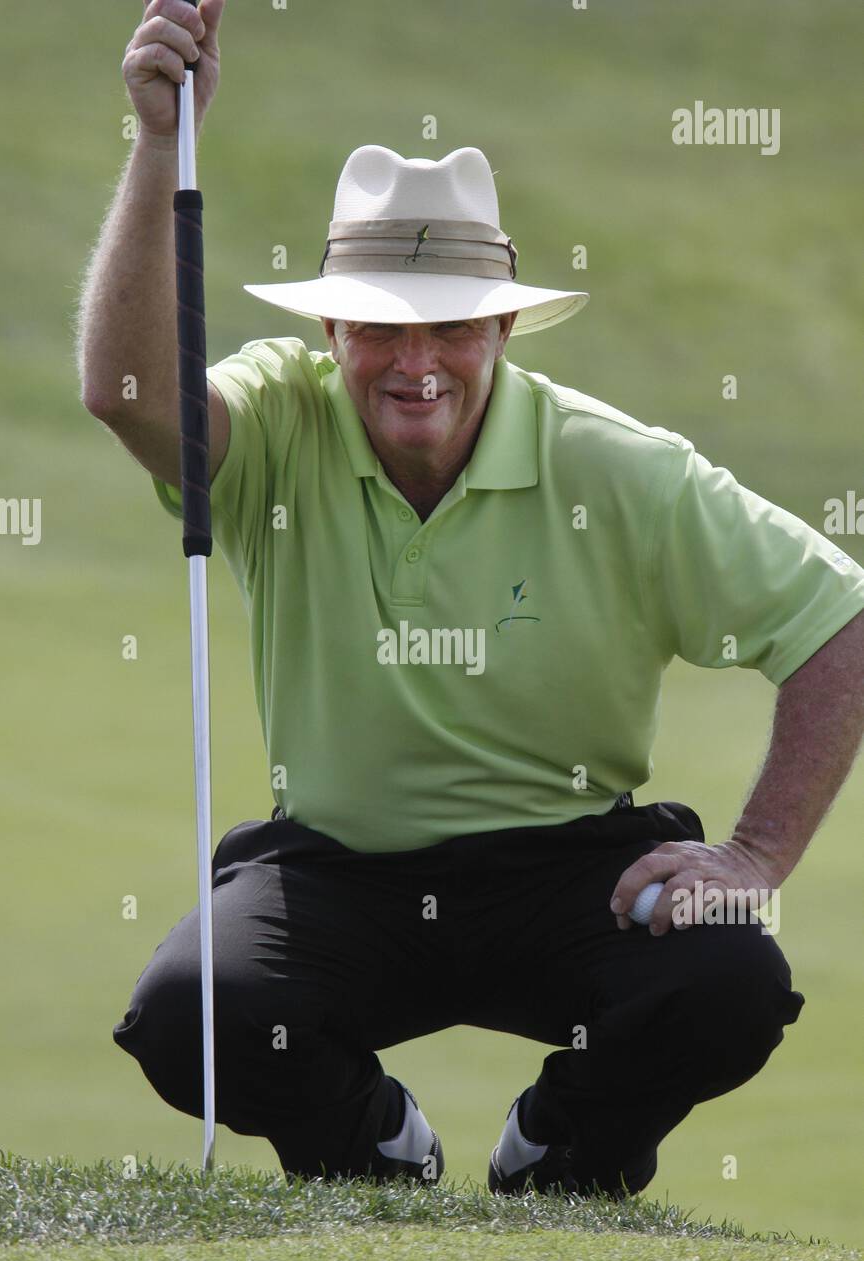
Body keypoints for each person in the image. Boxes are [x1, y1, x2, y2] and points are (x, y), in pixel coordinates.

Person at [78, 0, 864, 1197]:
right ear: (330, 324)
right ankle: (370, 1153)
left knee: (726, 978)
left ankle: (562, 1155)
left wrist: (753, 854)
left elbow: (836, 620)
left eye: (450, 324)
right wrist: (154, 144)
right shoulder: (281, 418)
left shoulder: (616, 467)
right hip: (340, 868)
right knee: (193, 1008)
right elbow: (129, 393)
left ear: (502, 324)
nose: (415, 362)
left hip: (570, 866)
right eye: (381, 329)